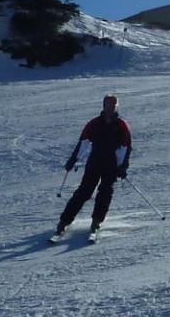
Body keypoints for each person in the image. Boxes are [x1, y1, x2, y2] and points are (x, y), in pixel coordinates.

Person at [54, 94, 133, 243]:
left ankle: (96, 222)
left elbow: (126, 147)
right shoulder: (94, 123)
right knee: (84, 191)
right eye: (108, 104)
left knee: (105, 191)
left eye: (113, 105)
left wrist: (123, 166)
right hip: (94, 162)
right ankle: (64, 222)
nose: (110, 107)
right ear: (103, 105)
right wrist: (73, 159)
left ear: (117, 106)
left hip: (111, 164)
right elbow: (83, 143)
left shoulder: (122, 125)